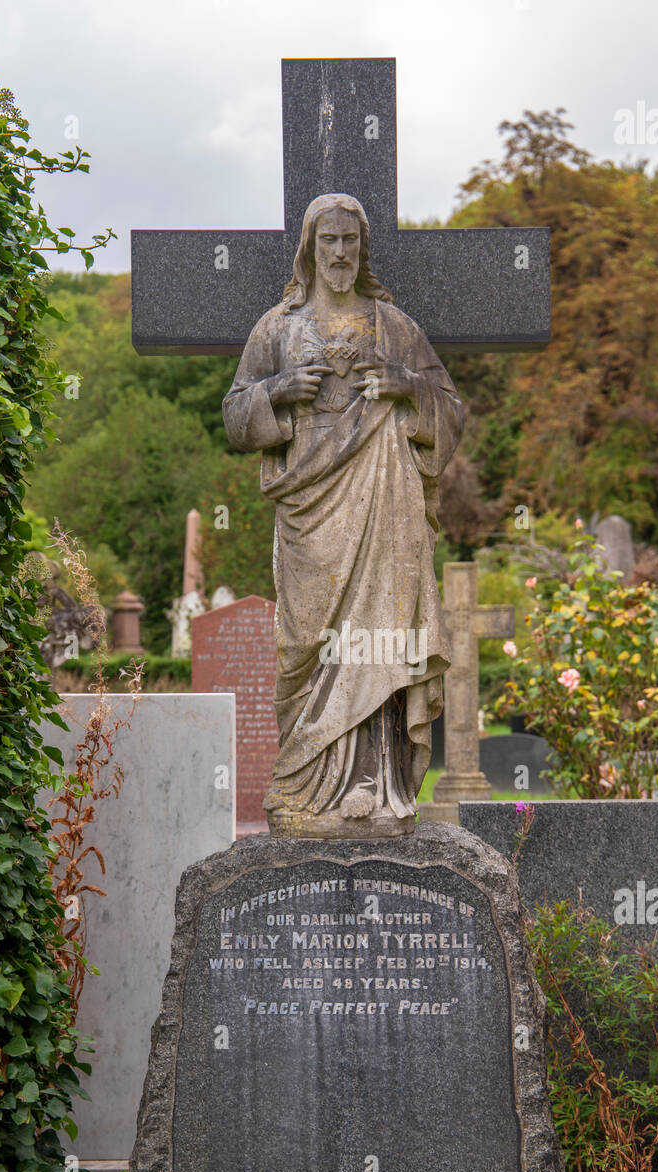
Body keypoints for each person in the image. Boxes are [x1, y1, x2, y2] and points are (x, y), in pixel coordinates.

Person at [223, 193, 464, 837]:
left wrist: (407, 386)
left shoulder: (394, 327)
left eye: (349, 242)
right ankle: (305, 787)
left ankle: (373, 788)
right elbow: (234, 415)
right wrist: (277, 391)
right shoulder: (278, 326)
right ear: (309, 246)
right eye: (327, 240)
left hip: (384, 506)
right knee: (307, 644)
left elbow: (450, 409)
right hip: (310, 512)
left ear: (361, 250)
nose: (338, 253)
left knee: (378, 634)